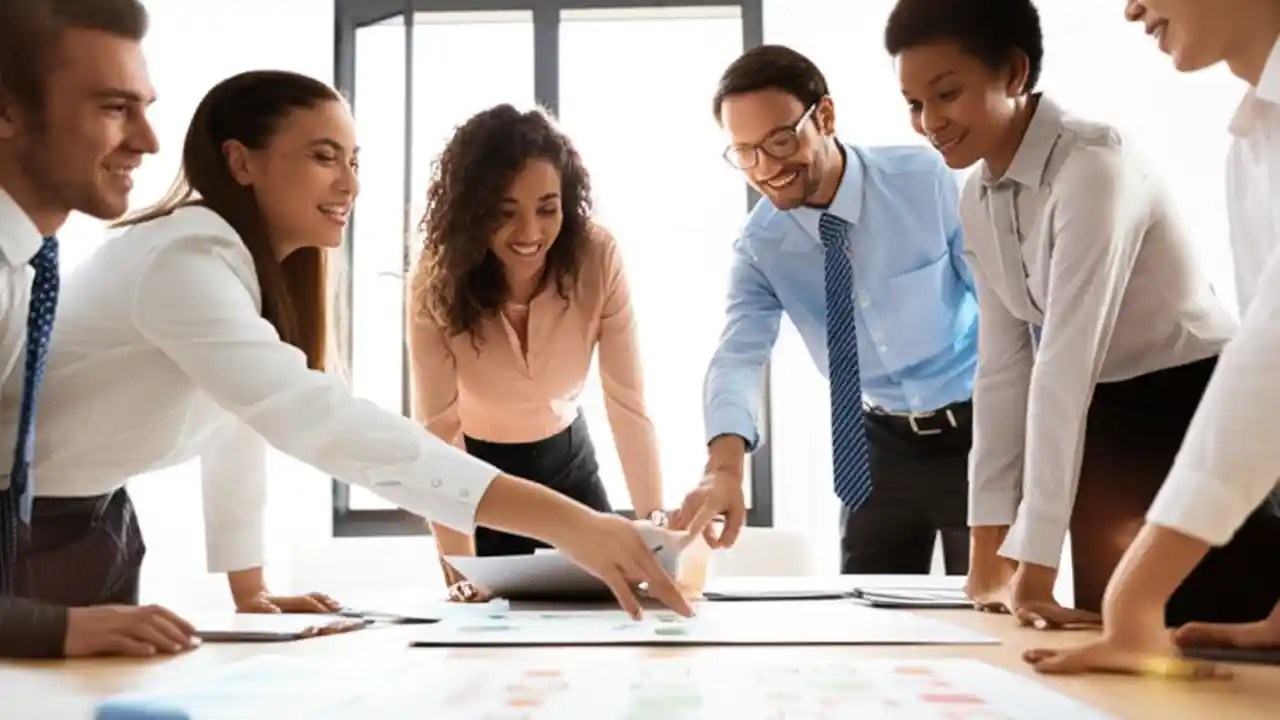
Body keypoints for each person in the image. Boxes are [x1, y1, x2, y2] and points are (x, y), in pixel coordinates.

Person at [0, 68, 691, 638]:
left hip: (96, 520)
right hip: (18, 515)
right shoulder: (183, 261)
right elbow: (318, 419)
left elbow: (241, 423)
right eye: (324, 157)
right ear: (241, 161)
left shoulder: (246, 274)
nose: (350, 184)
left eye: (353, 161)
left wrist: (253, 593)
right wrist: (573, 523)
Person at [887, 0, 1280, 630]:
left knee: (1202, 629)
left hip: (1194, 400)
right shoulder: (979, 198)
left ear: (1014, 74)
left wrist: (1034, 566)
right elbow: (1001, 374)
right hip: (1106, 411)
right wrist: (989, 562)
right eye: (914, 104)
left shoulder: (1092, 168)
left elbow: (1062, 368)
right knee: (1108, 626)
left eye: (947, 93)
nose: (930, 121)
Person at [1022, 0, 1280, 677]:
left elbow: (1271, 364)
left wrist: (1136, 598)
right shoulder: (1252, 143)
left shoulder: (1096, 163)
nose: (1132, 9)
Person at [674, 45, 979, 576]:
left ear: (826, 117)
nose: (766, 168)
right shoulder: (760, 247)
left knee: (993, 612)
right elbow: (738, 357)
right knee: (869, 623)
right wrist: (724, 467)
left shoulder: (925, 181)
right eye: (745, 152)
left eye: (780, 140)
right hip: (876, 447)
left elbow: (1004, 307)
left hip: (978, 432)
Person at [0, 0, 208, 660]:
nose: (148, 141)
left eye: (144, 106)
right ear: (5, 111)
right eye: (115, 108)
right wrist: (54, 627)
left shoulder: (24, 266)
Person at [407, 105, 665, 596]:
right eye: (505, 214)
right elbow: (439, 431)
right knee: (490, 636)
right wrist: (460, 567)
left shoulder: (597, 255)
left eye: (547, 208)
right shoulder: (435, 280)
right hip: (479, 482)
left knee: (613, 610)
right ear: (472, 213)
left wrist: (655, 527)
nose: (529, 233)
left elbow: (626, 401)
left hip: (568, 462)